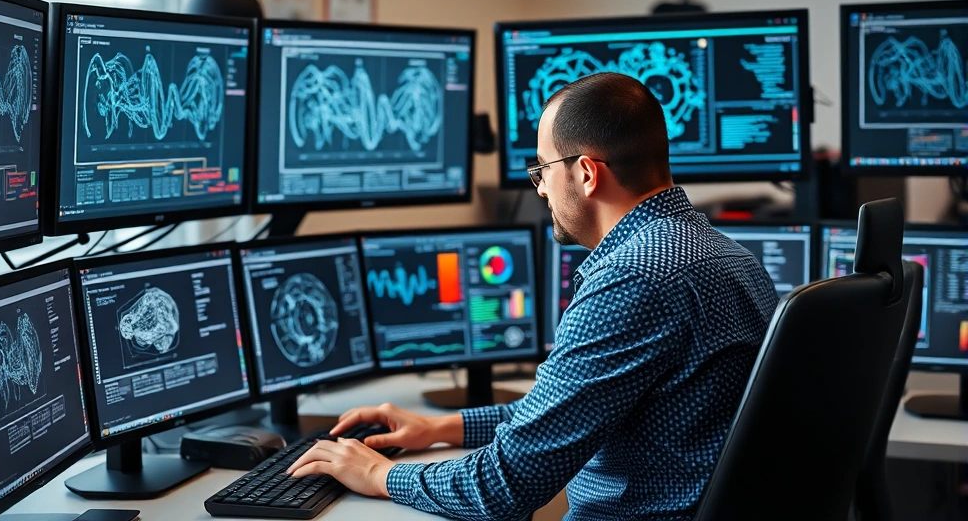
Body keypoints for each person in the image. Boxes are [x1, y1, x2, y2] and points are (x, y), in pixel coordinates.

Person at [287, 72, 779, 520]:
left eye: (543, 168)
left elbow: (505, 486)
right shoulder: (726, 254)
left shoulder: (632, 277)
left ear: (586, 173)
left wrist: (378, 475)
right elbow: (571, 411)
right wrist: (442, 427)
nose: (541, 188)